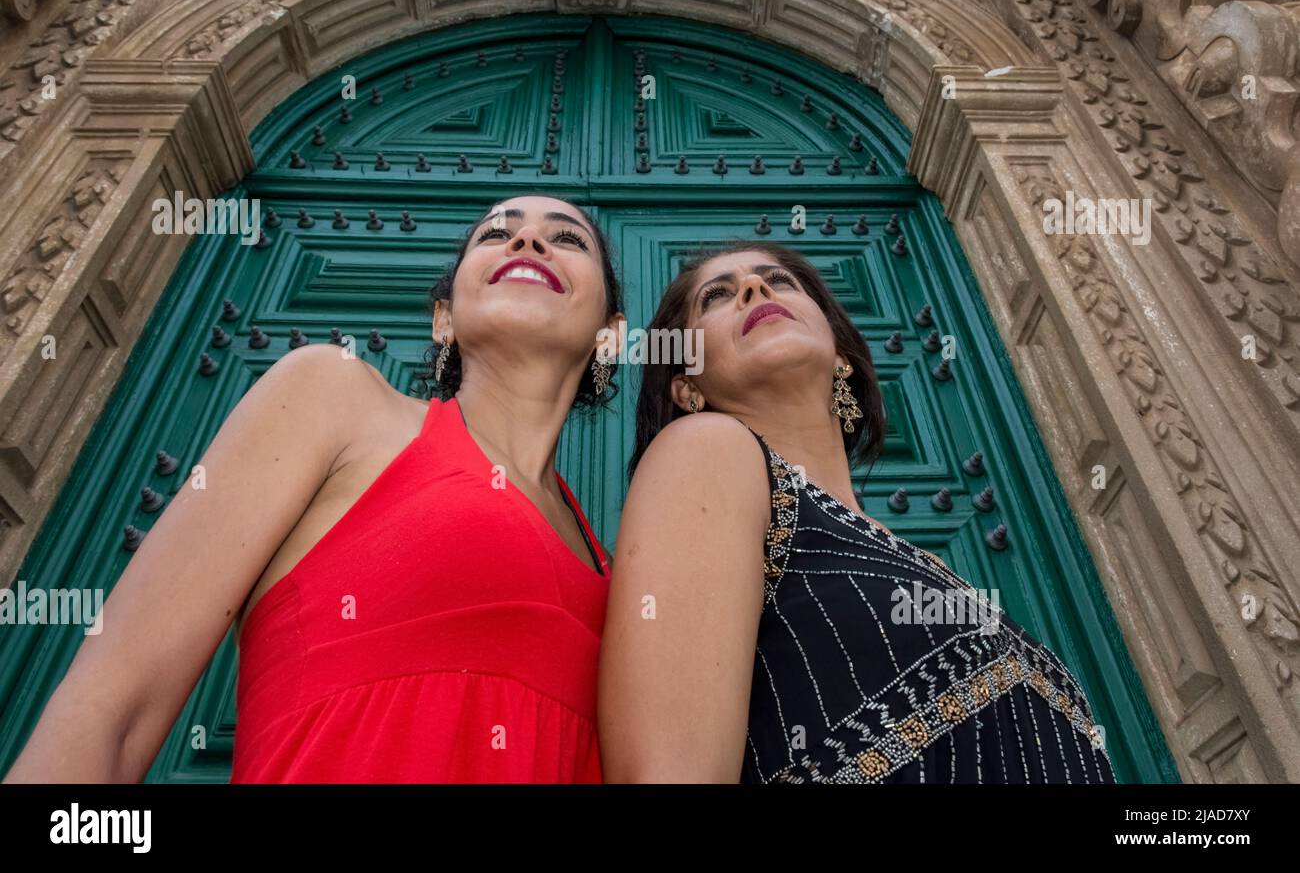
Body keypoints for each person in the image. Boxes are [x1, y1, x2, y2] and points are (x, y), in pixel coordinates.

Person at [4, 194, 625, 783]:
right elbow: (115, 703)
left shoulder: (612, 569)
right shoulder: (332, 396)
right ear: (443, 318)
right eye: (497, 233)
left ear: (611, 336)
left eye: (567, 238)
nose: (527, 238)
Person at [598, 241, 1116, 783]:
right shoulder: (705, 449)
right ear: (686, 385)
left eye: (780, 280)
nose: (756, 289)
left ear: (842, 353)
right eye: (717, 297)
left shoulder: (912, 559)